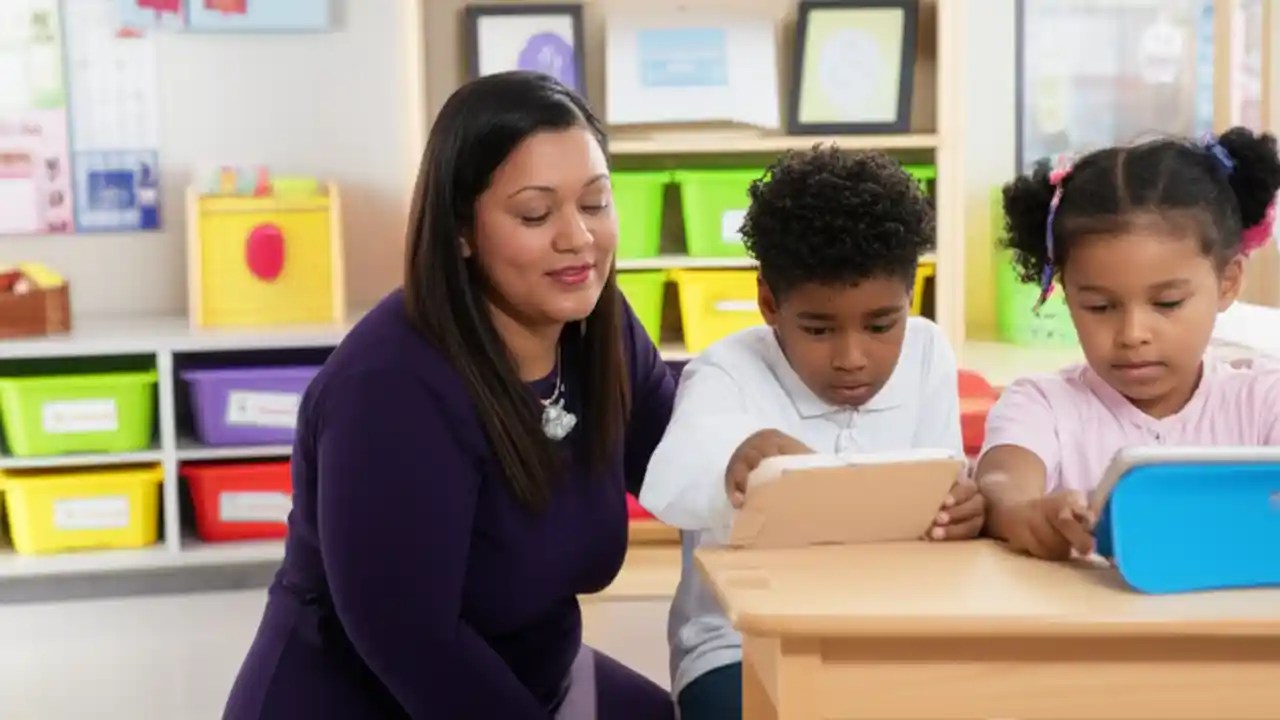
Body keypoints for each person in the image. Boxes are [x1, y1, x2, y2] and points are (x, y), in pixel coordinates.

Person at [222, 71, 677, 719]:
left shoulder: (597, 327)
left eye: (596, 203)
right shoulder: (390, 390)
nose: (578, 237)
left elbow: (685, 459)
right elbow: (413, 645)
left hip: (534, 674)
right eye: (535, 213)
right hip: (376, 701)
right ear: (461, 231)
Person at [638, 147, 980, 720]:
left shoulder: (927, 355)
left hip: (888, 637)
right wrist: (732, 464)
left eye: (880, 325)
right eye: (818, 328)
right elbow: (668, 490)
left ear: (912, 296)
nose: (852, 358)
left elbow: (942, 502)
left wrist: (963, 510)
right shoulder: (727, 371)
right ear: (769, 303)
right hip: (739, 649)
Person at [978, 127, 1280, 561]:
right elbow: (1001, 480)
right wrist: (1021, 512)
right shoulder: (1042, 405)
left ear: (1227, 282)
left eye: (1167, 302)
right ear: (1067, 291)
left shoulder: (1263, 400)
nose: (1132, 333)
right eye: (1100, 306)